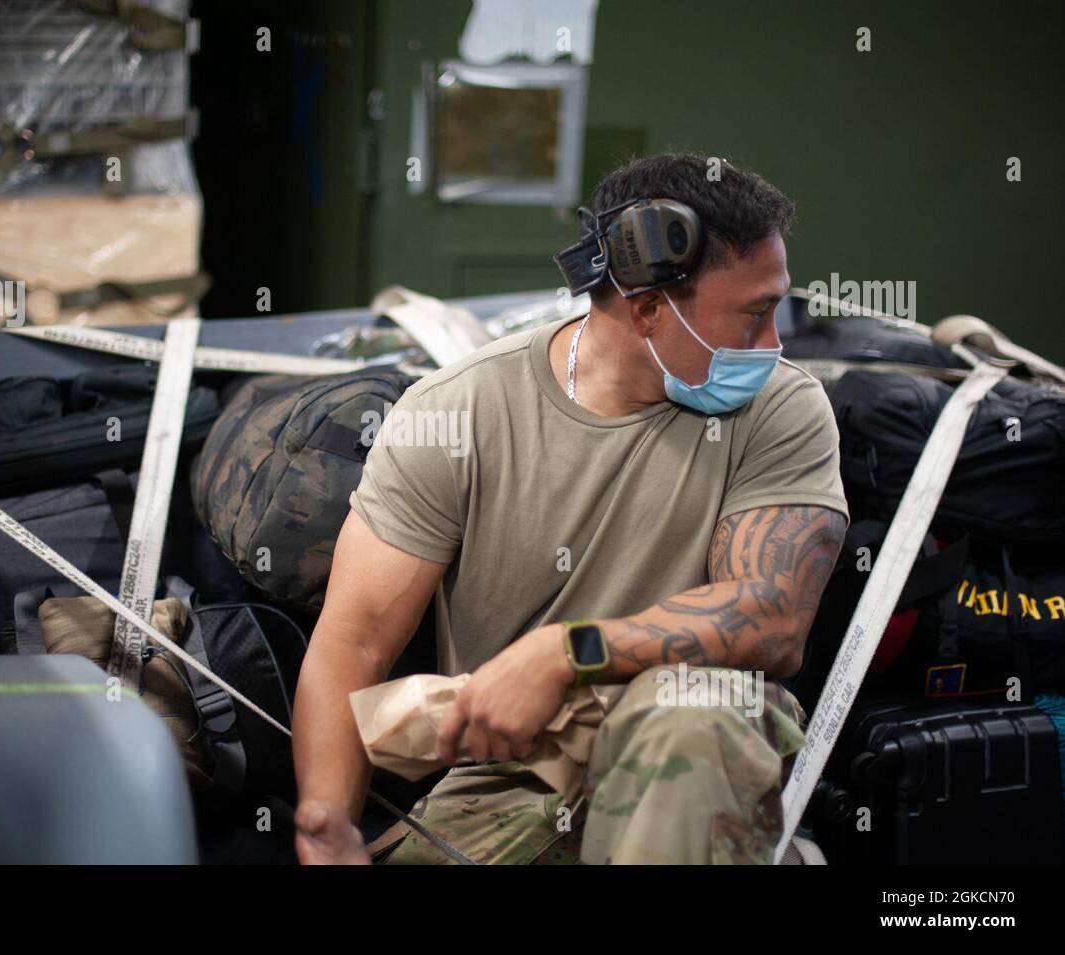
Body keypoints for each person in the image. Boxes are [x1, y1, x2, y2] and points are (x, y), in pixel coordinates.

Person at [292, 152, 848, 865]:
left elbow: (770, 618)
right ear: (648, 307)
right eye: (754, 314)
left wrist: (565, 653)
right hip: (505, 785)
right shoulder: (459, 411)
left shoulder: (782, 410)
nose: (774, 344)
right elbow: (354, 641)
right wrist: (325, 820)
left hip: (692, 771)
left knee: (692, 714)